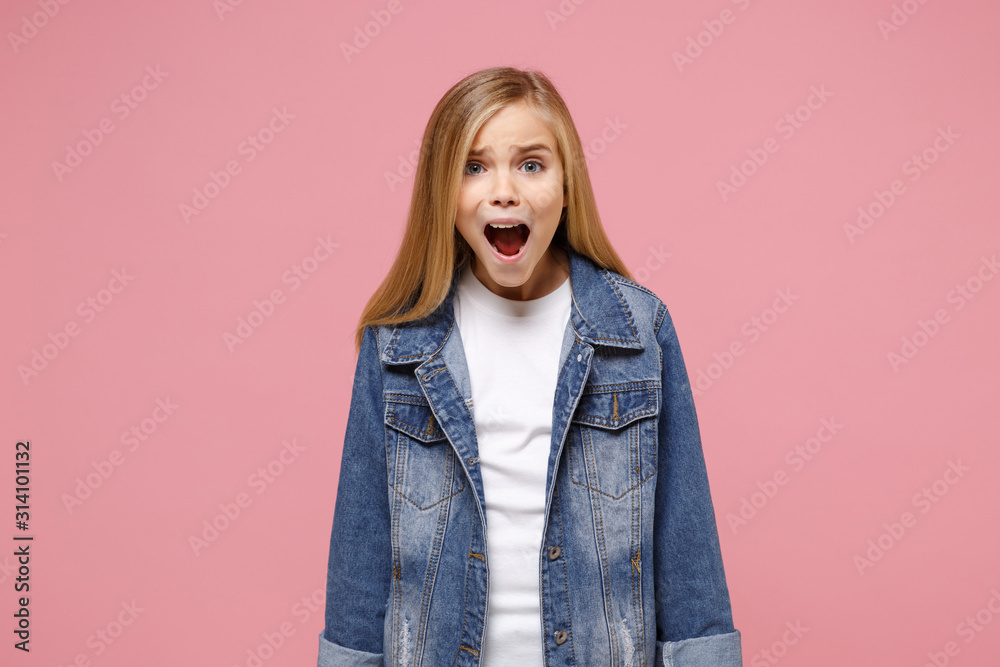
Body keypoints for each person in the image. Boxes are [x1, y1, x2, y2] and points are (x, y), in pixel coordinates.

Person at [318, 66, 742, 666]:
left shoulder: (639, 332)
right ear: (442, 191)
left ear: (568, 187)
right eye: (474, 166)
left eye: (531, 164)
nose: (503, 191)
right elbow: (359, 565)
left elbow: (686, 549)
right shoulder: (396, 348)